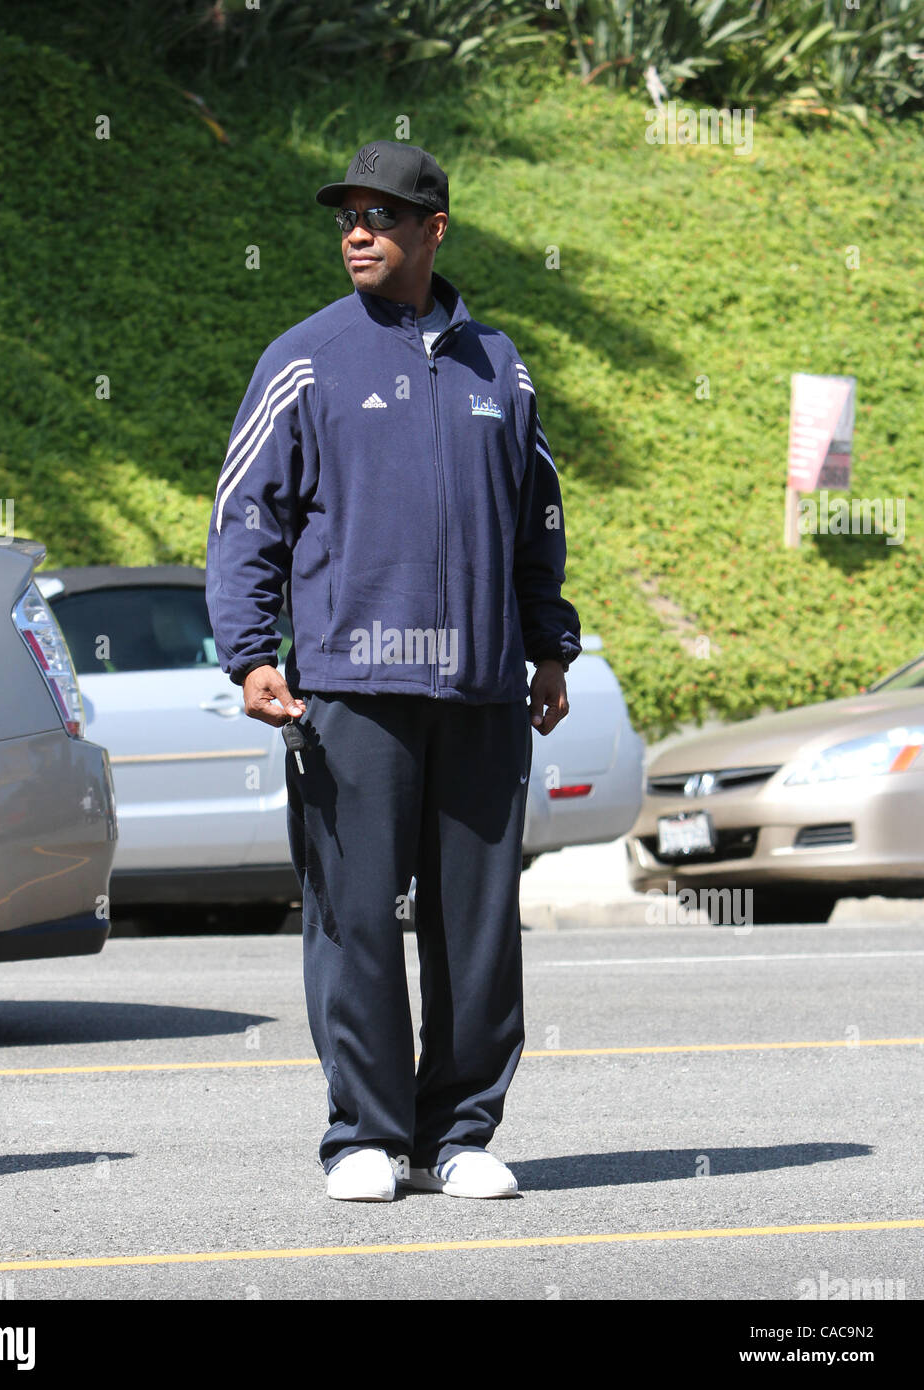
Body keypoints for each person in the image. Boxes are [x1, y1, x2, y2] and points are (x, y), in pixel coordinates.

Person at [206, 140, 581, 1201]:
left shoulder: (499, 368)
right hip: (351, 691)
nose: (356, 232)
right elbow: (246, 519)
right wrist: (249, 652)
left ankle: (459, 1133)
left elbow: (536, 522)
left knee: (474, 927)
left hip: (476, 694)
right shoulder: (305, 360)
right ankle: (362, 1137)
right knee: (356, 916)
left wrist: (548, 644)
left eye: (380, 214)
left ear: (434, 230)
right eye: (347, 217)